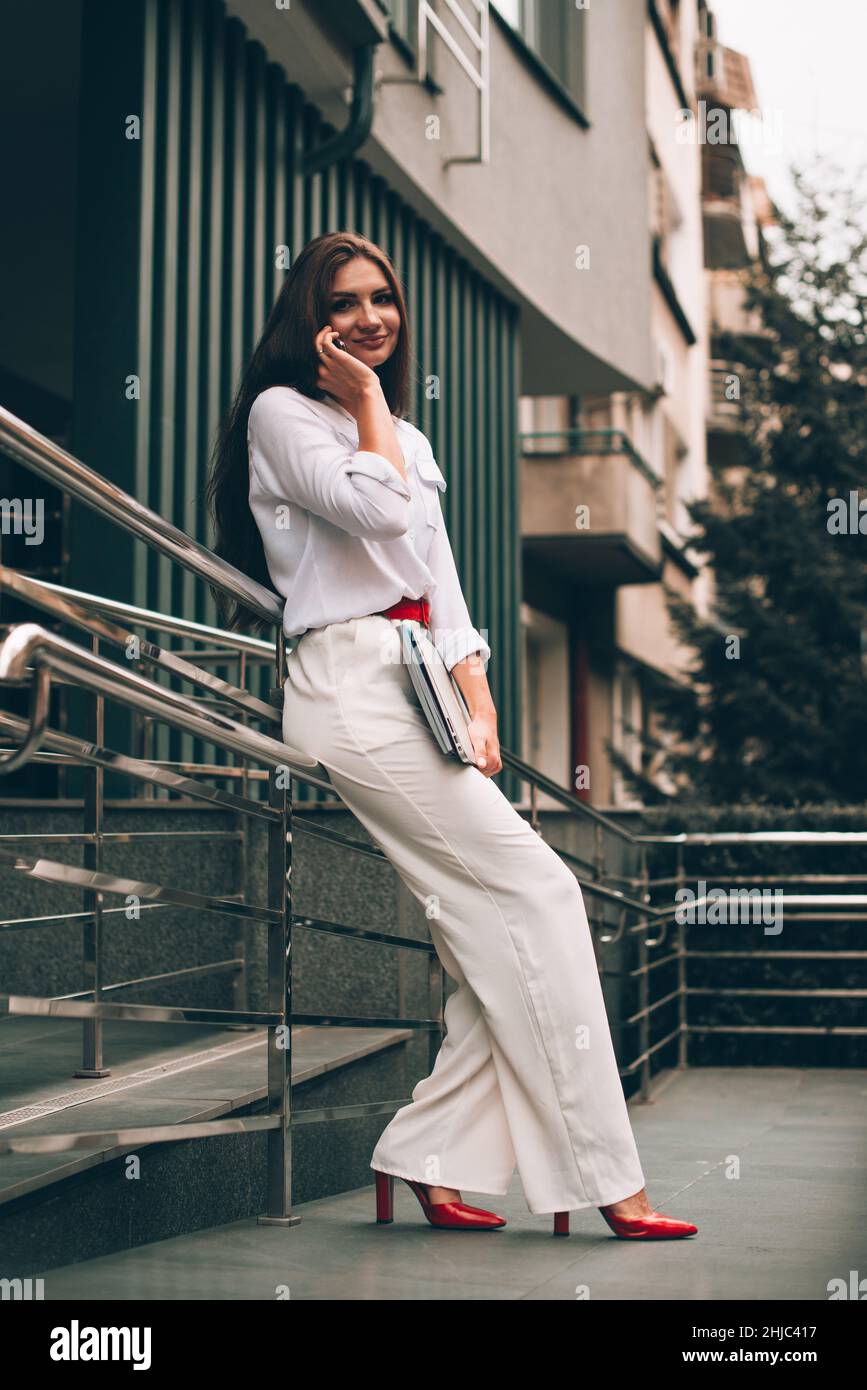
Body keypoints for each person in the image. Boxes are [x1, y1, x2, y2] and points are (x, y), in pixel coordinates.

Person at [206, 230, 697, 1240]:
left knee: (488, 925)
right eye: (343, 303)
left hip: (419, 683)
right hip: (346, 686)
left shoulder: (412, 441)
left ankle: (426, 1152)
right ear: (308, 318)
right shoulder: (283, 414)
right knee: (543, 889)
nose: (369, 319)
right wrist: (373, 407)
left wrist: (480, 702)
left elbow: (442, 588)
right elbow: (375, 515)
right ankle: (609, 1179)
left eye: (382, 299)